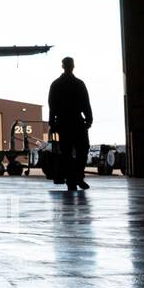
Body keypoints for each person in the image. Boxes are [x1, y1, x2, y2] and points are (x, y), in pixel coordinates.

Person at [48, 56, 92, 191]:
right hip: (77, 122)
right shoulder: (79, 84)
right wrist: (89, 118)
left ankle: (71, 179)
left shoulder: (56, 84)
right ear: (73, 66)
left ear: (62, 66)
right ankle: (78, 176)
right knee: (82, 150)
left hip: (63, 122)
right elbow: (86, 103)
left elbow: (52, 105)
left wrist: (52, 123)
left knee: (66, 153)